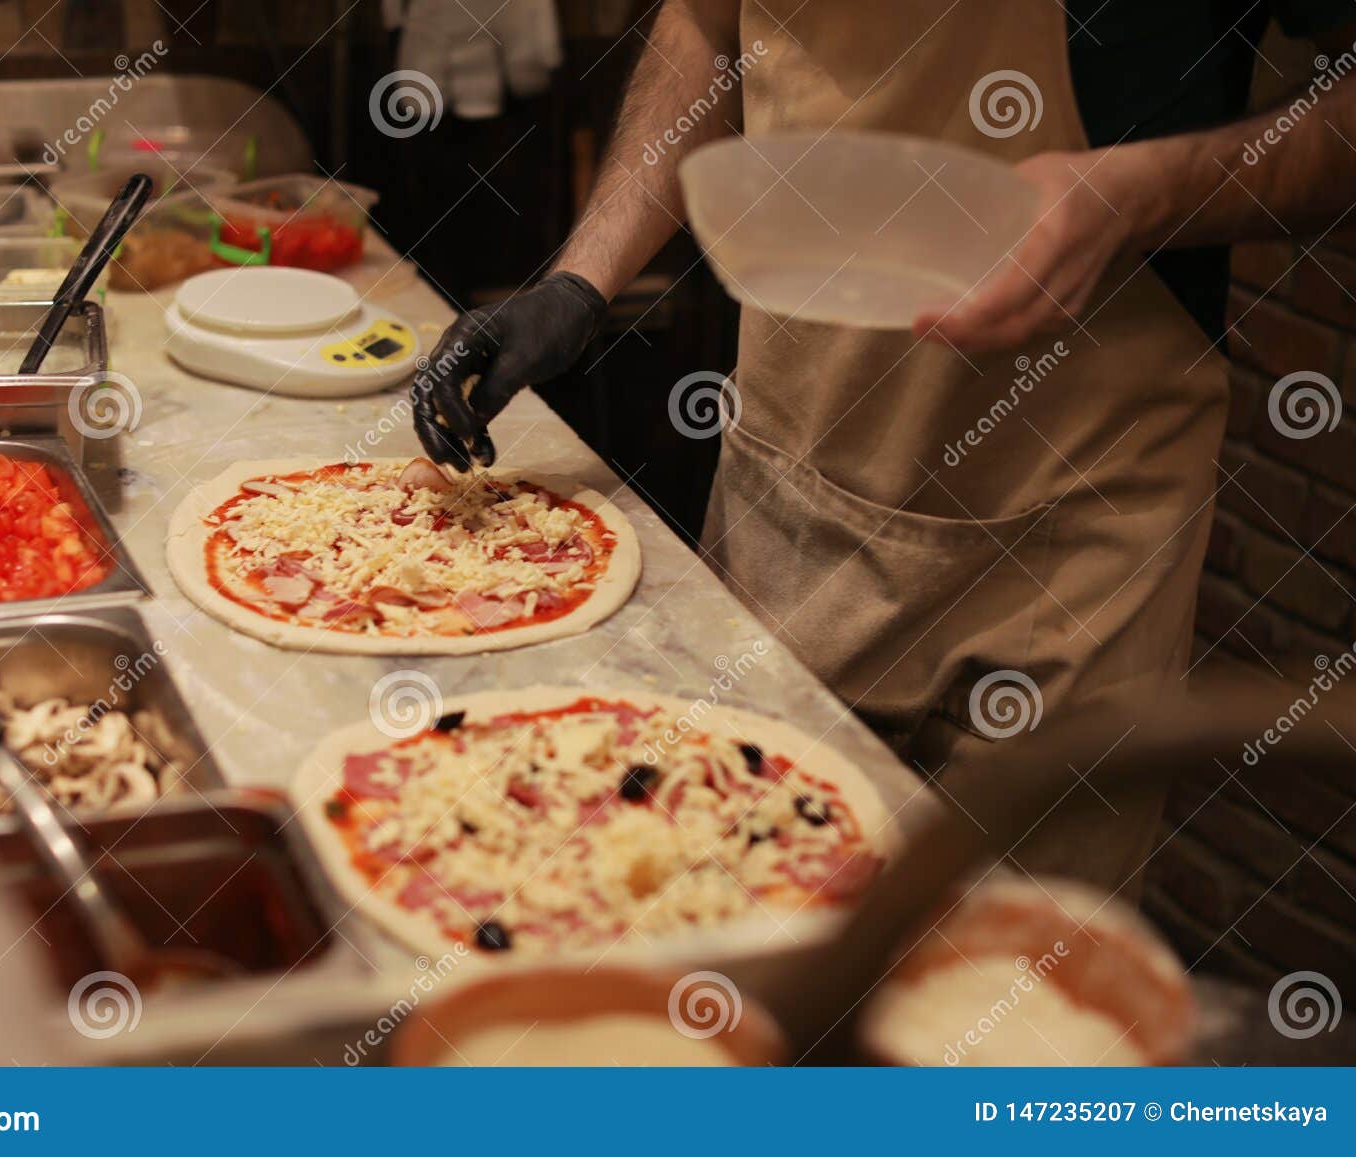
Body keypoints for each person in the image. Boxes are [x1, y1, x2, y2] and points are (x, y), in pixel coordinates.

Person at [409, 1, 1356, 888]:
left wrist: (1140, 196)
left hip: (1073, 539)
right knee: (738, 945)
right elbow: (706, 18)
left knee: (1003, 1017)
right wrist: (581, 281)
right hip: (790, 495)